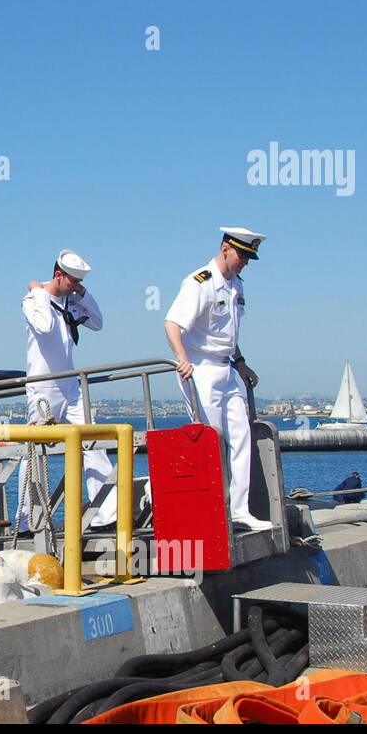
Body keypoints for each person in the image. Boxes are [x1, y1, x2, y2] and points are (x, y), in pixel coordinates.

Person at [164, 227, 272, 532]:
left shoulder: (236, 285)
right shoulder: (201, 282)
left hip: (226, 369)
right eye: (242, 255)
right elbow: (172, 322)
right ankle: (215, 510)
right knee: (212, 441)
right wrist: (182, 358)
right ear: (226, 248)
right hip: (200, 369)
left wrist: (241, 363)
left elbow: (228, 333)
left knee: (241, 437)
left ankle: (239, 511)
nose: (245, 262)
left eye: (250, 258)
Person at [20, 250, 118, 533]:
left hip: (70, 386)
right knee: (34, 451)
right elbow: (46, 326)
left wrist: (82, 294)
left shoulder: (72, 301)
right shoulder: (32, 302)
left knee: (92, 438)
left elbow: (98, 322)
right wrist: (38, 291)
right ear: (58, 275)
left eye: (79, 282)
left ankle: (105, 513)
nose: (75, 286)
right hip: (43, 388)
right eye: (72, 281)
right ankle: (27, 519)